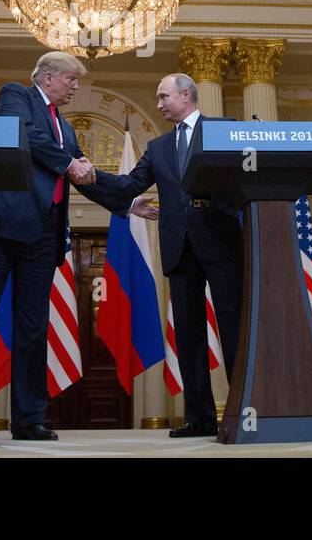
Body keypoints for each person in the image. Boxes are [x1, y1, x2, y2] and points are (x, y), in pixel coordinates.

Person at [91, 73, 243, 438]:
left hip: (222, 244)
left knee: (235, 328)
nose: (158, 104)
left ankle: (245, 410)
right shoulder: (158, 148)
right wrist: (90, 174)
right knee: (188, 335)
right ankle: (199, 418)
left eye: (163, 97)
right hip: (179, 249)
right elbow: (130, 184)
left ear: (186, 95)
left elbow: (243, 178)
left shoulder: (225, 131)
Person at [0, 51, 105, 441]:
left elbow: (85, 173)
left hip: (44, 234)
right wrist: (69, 163)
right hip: (0, 229)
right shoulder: (16, 96)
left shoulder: (67, 129)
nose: (75, 87)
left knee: (32, 328)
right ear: (47, 78)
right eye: (71, 80)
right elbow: (22, 134)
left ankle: (29, 420)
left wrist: (128, 201)